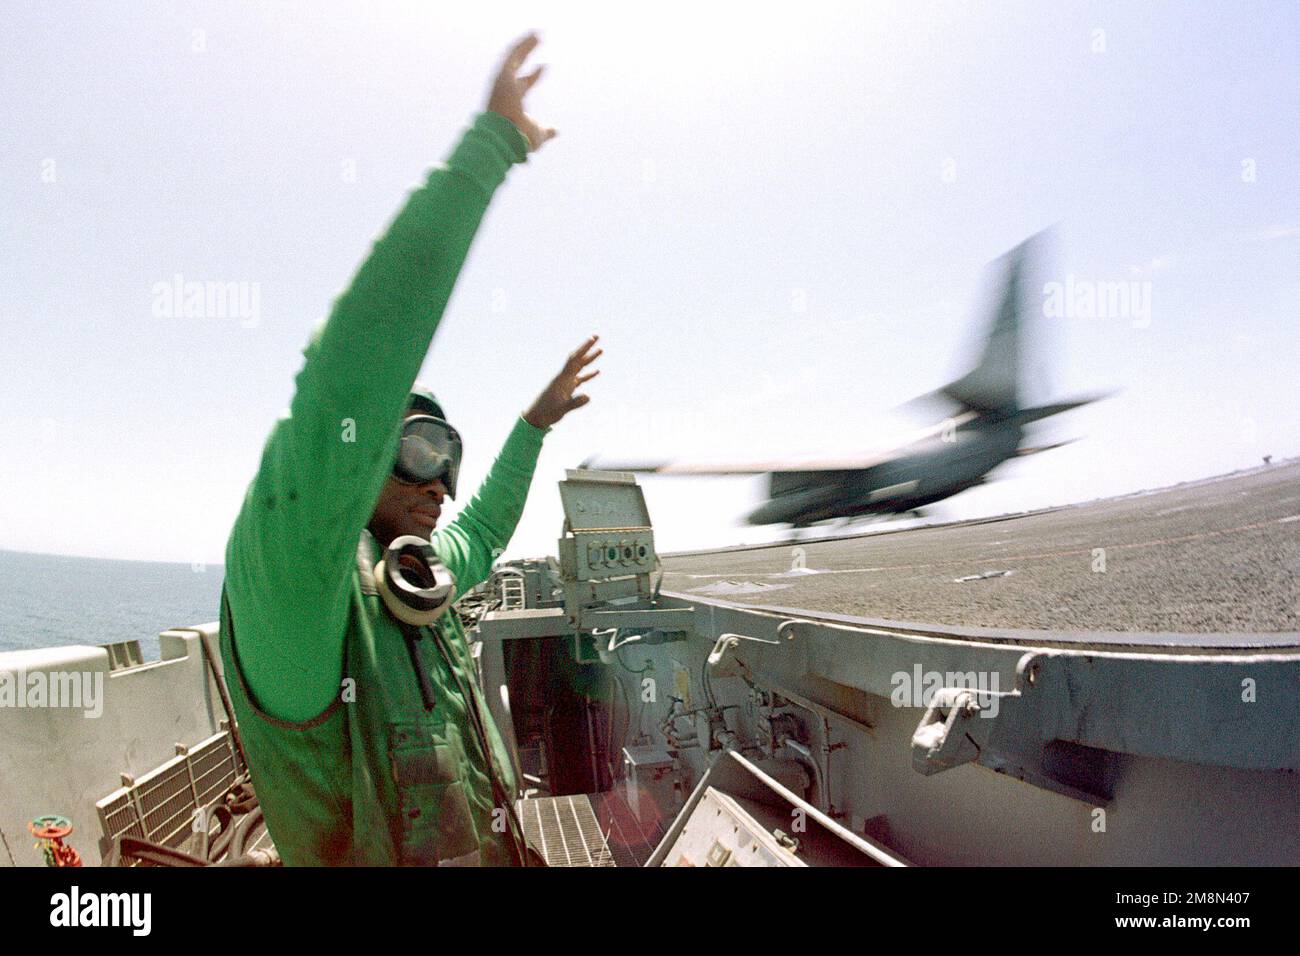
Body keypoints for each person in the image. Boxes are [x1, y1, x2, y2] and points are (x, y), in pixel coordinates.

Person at [219, 33, 599, 866]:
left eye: (450, 459)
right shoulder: (295, 593)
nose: (445, 484)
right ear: (361, 462)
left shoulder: (417, 579)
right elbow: (339, 393)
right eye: (424, 449)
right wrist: (487, 153)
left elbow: (489, 525)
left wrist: (533, 425)